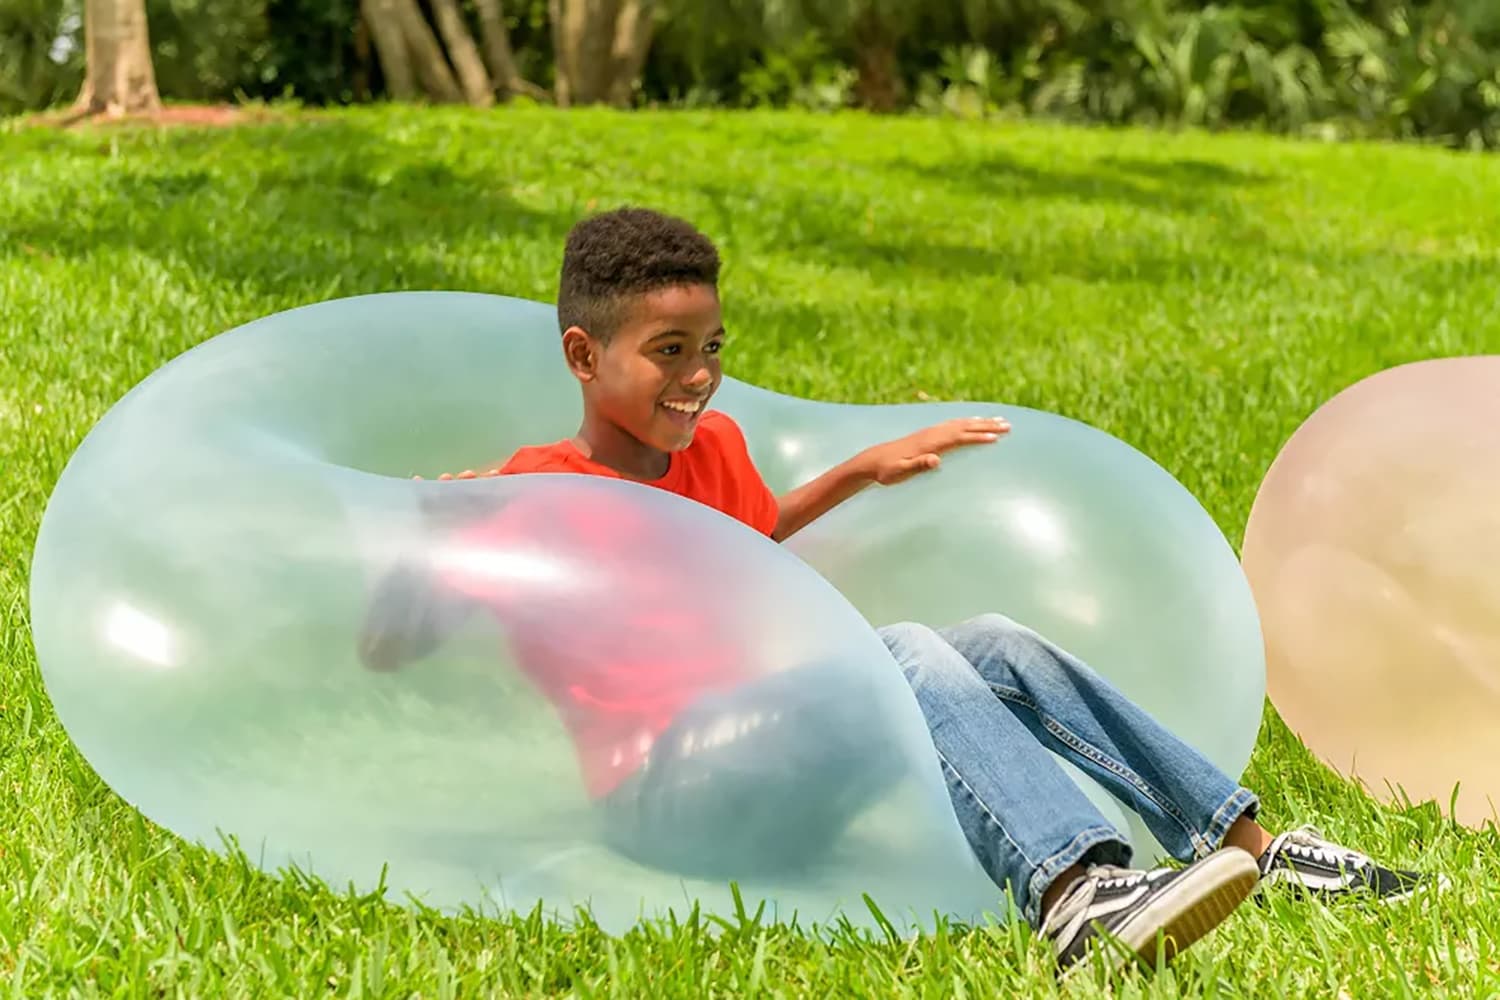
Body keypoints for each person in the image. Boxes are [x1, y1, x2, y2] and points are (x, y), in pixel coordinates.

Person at [358, 208, 1437, 977]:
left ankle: (1248, 845)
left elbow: (747, 537)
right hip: (660, 797)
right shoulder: (531, 489)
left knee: (996, 639)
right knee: (909, 649)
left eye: (713, 347)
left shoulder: (714, 445)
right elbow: (389, 649)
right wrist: (429, 535)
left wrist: (855, 472)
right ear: (584, 355)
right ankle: (1074, 898)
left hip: (764, 761)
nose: (699, 376)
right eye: (668, 352)